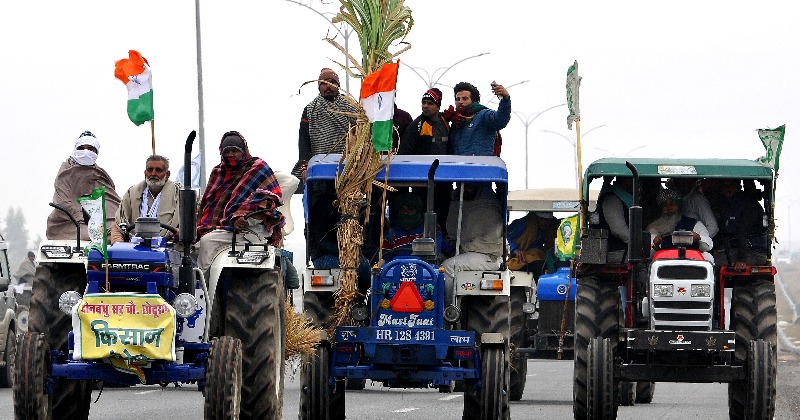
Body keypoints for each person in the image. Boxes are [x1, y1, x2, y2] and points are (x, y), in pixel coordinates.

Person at [195, 131, 285, 272]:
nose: (230, 155)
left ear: (244, 151)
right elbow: (208, 206)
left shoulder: (258, 167)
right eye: (227, 151)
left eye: (235, 150)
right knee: (186, 247)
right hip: (218, 229)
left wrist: (243, 216)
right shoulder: (218, 172)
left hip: (247, 230)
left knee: (206, 242)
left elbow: (268, 199)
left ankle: (202, 289)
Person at [46, 131, 121, 240]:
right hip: (69, 223)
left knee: (118, 232)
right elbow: (62, 202)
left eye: (90, 149)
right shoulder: (66, 171)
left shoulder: (100, 174)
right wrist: (80, 218)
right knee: (95, 234)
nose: (86, 152)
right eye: (82, 148)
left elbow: (111, 202)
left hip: (100, 222)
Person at [292, 67, 358, 187]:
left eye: (331, 82)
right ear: (319, 87)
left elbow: (359, 135)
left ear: (338, 85)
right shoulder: (310, 109)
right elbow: (304, 141)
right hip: (319, 166)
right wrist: (305, 166)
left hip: (346, 166)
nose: (328, 86)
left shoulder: (350, 107)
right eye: (324, 83)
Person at [442, 183, 504, 303]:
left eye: (470, 186)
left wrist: (462, 248)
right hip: (466, 253)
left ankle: (448, 308)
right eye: (463, 185)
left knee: (448, 267)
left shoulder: (489, 208)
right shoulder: (459, 204)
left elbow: (492, 243)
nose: (465, 189)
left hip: (487, 256)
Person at [110, 155, 181, 244]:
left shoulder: (180, 194)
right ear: (145, 173)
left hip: (169, 248)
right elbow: (118, 225)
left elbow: (189, 229)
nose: (153, 174)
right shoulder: (131, 193)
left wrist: (179, 233)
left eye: (158, 170)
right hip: (134, 249)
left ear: (167, 174)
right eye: (150, 170)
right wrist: (119, 247)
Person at [710, 179, 769, 269]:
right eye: (725, 186)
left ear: (738, 186)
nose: (727, 189)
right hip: (737, 248)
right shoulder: (728, 203)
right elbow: (724, 230)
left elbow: (742, 233)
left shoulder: (748, 205)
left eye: (731, 186)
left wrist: (742, 260)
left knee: (712, 262)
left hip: (754, 252)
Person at [444, 81, 511, 156]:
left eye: (465, 99)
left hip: (480, 166)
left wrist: (505, 100)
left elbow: (500, 120)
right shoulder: (456, 122)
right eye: (458, 99)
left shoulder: (483, 115)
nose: (460, 102)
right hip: (459, 166)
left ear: (473, 101)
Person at [381, 192, 451, 262]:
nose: (406, 212)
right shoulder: (390, 234)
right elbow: (384, 261)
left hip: (426, 270)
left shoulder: (430, 230)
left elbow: (446, 251)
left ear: (418, 210)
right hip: (397, 270)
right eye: (403, 210)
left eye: (410, 209)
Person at [647, 188, 713, 261]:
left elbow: (706, 247)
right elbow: (649, 254)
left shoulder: (694, 223)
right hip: (665, 262)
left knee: (708, 257)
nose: (668, 208)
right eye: (665, 205)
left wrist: (698, 238)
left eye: (672, 204)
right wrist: (655, 243)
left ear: (679, 205)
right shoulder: (654, 227)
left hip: (691, 261)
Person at [399, 87, 450, 155]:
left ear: (438, 107)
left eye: (430, 103)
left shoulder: (445, 121)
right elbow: (404, 153)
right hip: (423, 165)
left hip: (444, 164)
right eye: (424, 103)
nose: (425, 106)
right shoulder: (416, 126)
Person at [506, 212, 559, 277]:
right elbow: (504, 235)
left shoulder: (546, 229)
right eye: (542, 219)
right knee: (538, 264)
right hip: (517, 256)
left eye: (547, 221)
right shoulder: (522, 224)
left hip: (533, 256)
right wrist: (515, 249)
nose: (545, 223)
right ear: (536, 218)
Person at [595, 176, 634, 263]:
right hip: (616, 251)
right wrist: (637, 244)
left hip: (621, 249)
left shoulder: (625, 198)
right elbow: (618, 230)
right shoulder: (612, 199)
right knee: (645, 267)